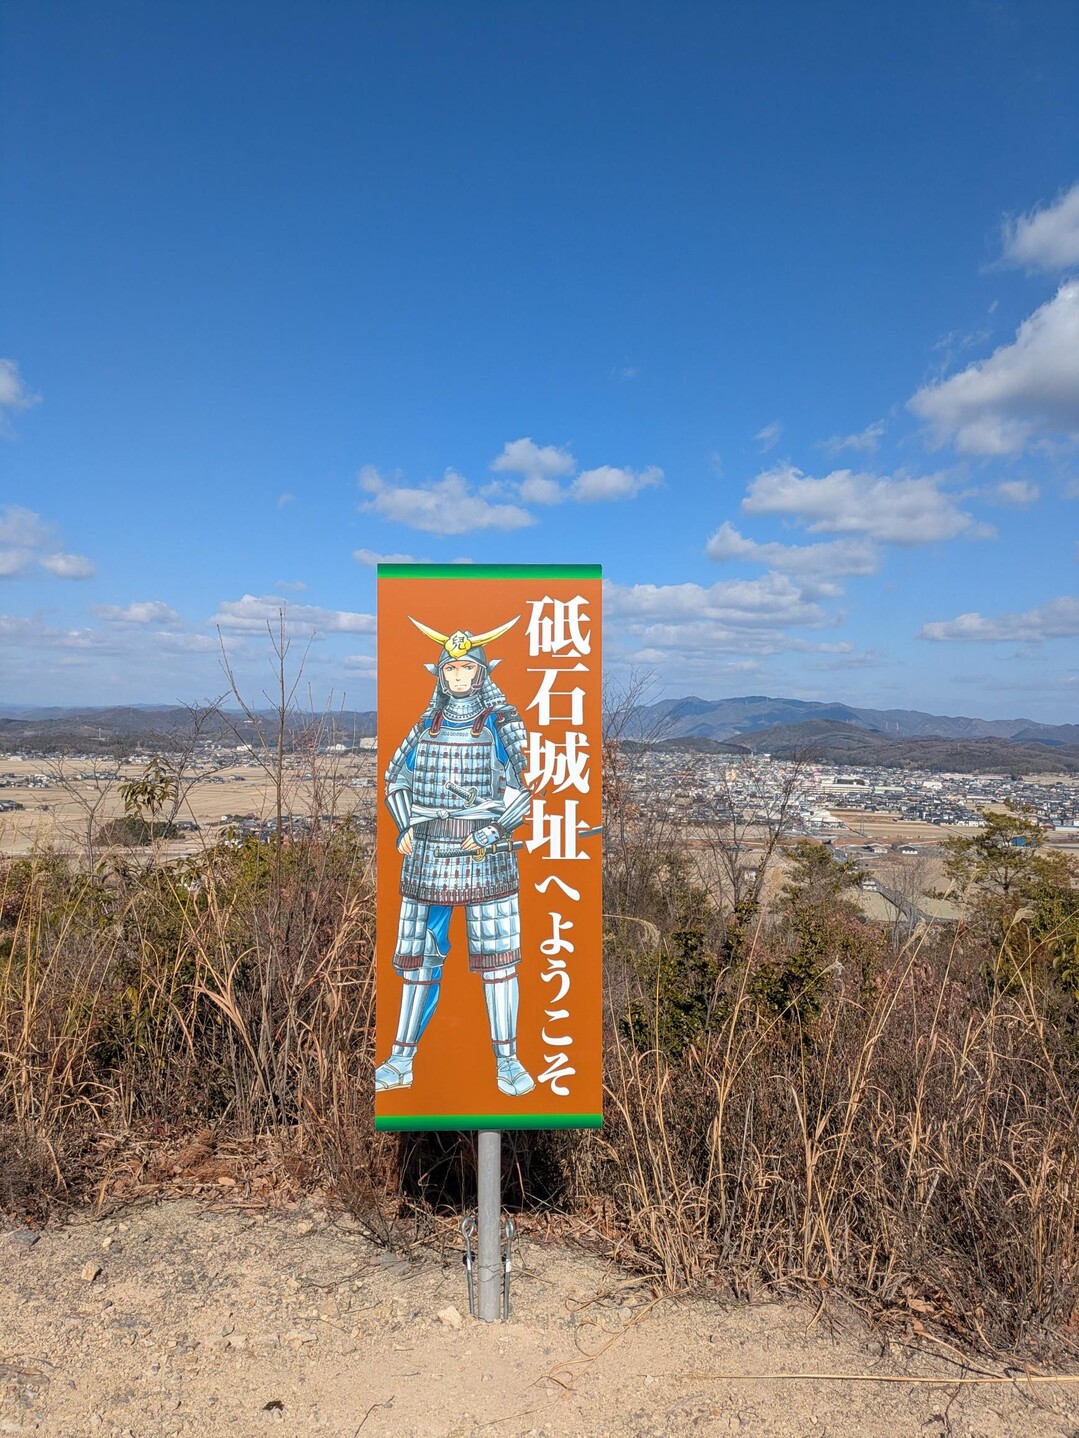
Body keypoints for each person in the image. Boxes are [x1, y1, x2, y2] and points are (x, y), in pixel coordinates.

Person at [375, 617, 535, 1097]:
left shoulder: (502, 723)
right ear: (440, 675)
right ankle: (401, 1059)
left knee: (498, 962)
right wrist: (405, 824)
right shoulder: (426, 726)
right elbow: (395, 778)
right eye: (451, 669)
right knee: (419, 961)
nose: (459, 677)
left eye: (467, 669)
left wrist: (493, 830)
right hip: (427, 852)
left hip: (485, 855)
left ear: (482, 673)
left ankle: (507, 1060)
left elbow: (528, 787)